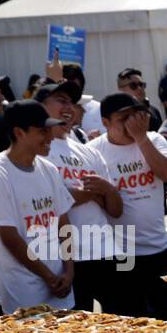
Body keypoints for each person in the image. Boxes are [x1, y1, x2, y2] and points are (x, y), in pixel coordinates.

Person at [0, 100, 74, 314]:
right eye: (42, 131)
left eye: (50, 129)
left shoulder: (49, 169)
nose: (50, 137)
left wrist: (69, 270)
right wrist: (48, 276)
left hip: (60, 286)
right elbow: (9, 236)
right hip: (24, 292)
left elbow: (64, 223)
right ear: (19, 133)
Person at [86, 91, 167, 313]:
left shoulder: (154, 139)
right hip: (121, 254)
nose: (131, 124)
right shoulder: (93, 151)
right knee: (129, 318)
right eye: (123, 119)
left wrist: (141, 138)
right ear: (105, 122)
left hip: (160, 248)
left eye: (135, 116)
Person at [36, 80, 124, 312]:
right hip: (70, 259)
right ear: (41, 107)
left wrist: (108, 190)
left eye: (71, 102)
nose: (69, 107)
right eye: (61, 101)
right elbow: (55, 199)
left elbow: (115, 209)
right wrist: (94, 193)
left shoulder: (88, 151)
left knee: (124, 324)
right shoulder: (39, 151)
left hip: (106, 250)